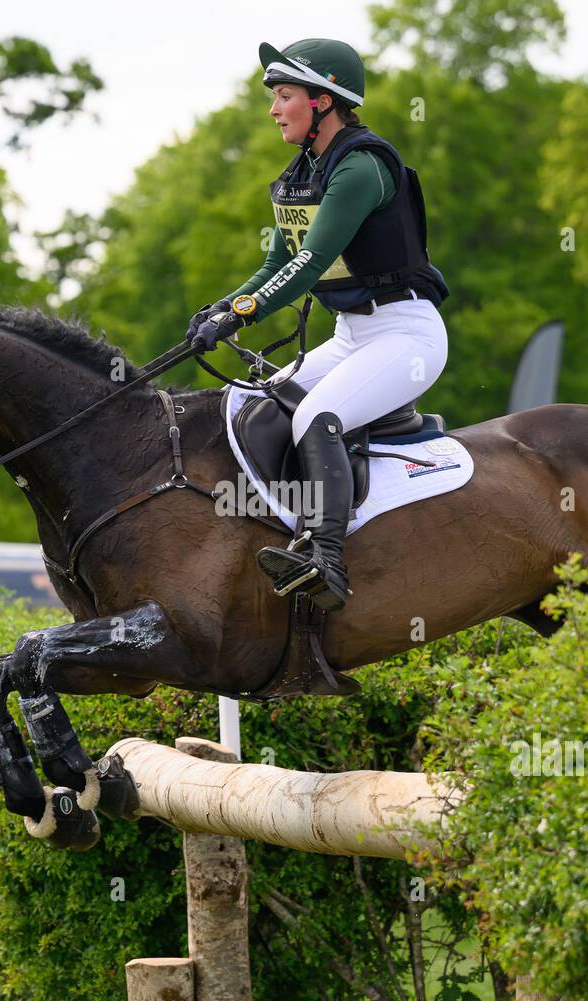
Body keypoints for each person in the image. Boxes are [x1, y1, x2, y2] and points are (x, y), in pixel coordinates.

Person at [189, 38, 450, 612]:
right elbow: (274, 264)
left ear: (324, 100)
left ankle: (325, 559)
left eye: (284, 96)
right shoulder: (300, 176)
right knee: (249, 404)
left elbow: (309, 266)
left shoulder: (360, 167)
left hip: (407, 335)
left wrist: (239, 317)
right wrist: (217, 309)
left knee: (314, 415)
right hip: (352, 337)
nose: (274, 109)